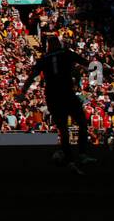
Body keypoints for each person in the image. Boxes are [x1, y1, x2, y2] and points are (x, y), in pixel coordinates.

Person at [20, 36, 95, 172]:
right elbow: (85, 62)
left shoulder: (44, 58)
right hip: (67, 94)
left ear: (48, 45)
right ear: (58, 43)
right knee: (82, 122)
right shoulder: (66, 53)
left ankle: (70, 159)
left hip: (53, 96)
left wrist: (23, 92)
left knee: (63, 129)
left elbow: (33, 75)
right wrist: (101, 70)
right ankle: (82, 154)